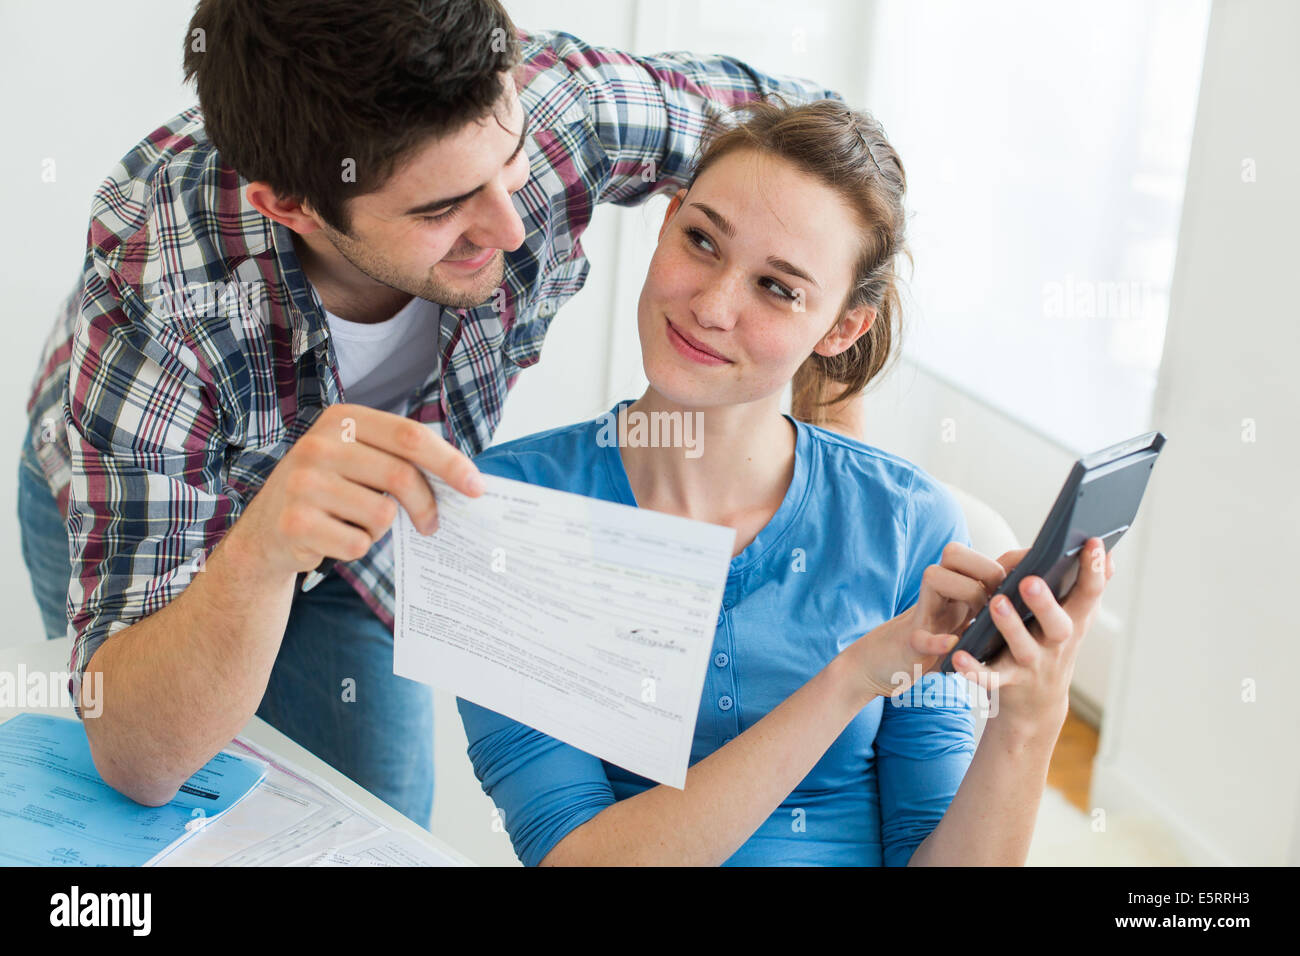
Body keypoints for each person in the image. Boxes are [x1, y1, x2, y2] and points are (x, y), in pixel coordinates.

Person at [16, 0, 844, 826]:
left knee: (372, 825)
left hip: (373, 529)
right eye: (441, 209)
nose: (512, 227)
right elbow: (138, 757)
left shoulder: (564, 107)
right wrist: (263, 549)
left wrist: (838, 463)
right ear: (291, 206)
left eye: (511, 162)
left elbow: (840, 176)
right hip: (160, 510)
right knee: (168, 819)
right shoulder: (158, 281)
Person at [457, 98, 1117, 866]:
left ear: (840, 329)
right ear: (666, 221)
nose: (711, 305)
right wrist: (850, 678)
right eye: (701, 240)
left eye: (778, 288)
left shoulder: (910, 524)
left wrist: (1031, 720)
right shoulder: (506, 510)